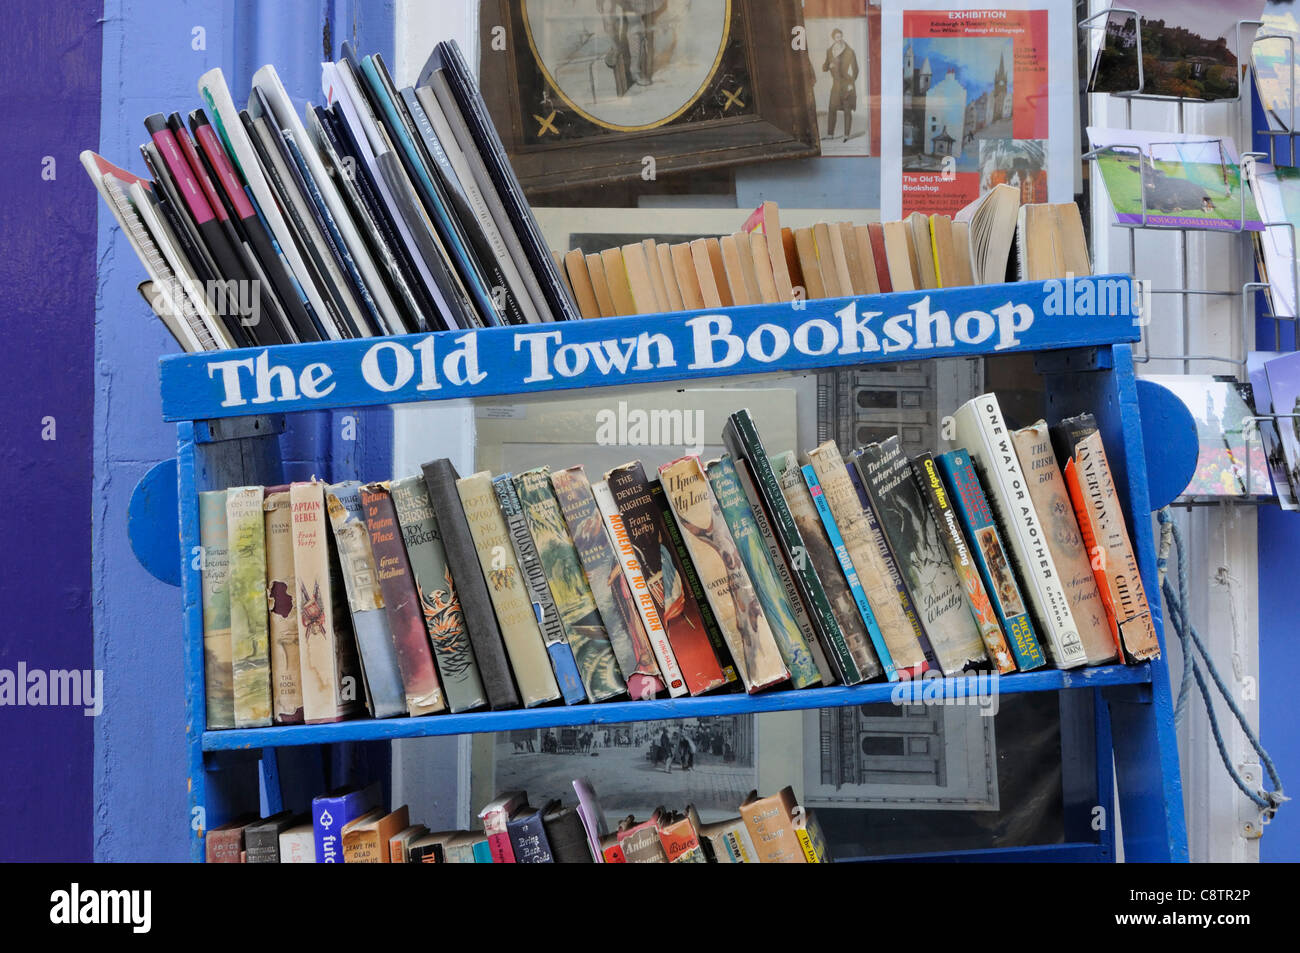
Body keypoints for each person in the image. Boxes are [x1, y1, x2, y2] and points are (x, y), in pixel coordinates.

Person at [822, 28, 860, 141]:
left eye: (840, 37)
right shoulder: (829, 51)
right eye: (836, 37)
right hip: (836, 85)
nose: (839, 39)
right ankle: (830, 134)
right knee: (832, 108)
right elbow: (825, 66)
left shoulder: (850, 51)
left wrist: (851, 84)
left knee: (847, 110)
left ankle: (846, 135)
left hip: (847, 84)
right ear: (833, 38)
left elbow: (856, 70)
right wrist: (828, 66)